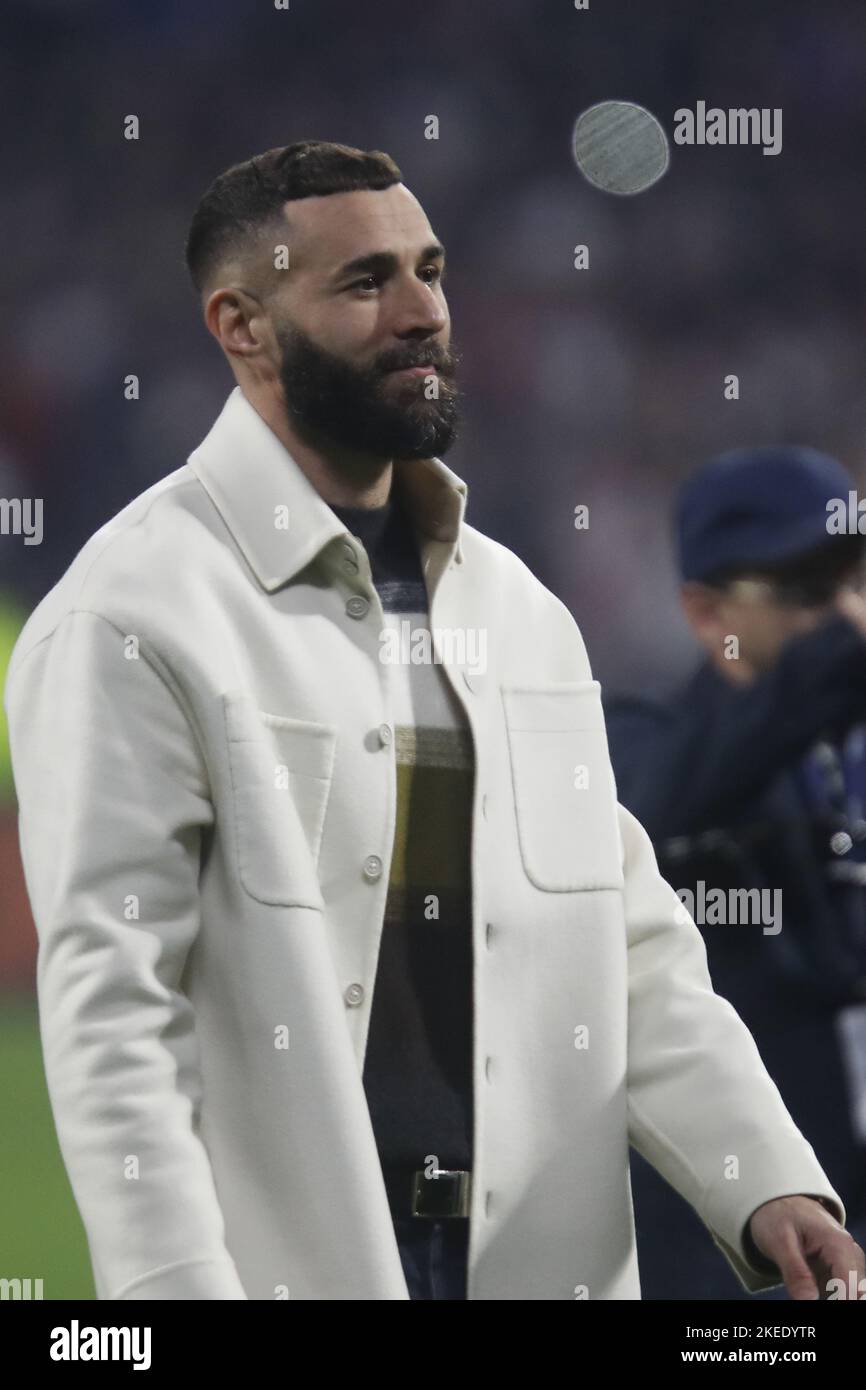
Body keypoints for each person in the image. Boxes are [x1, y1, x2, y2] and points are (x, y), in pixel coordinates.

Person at [4, 145, 863, 1301]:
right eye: (364, 282)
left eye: (430, 270)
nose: (421, 312)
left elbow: (620, 936)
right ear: (241, 325)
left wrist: (760, 1179)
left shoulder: (518, 612)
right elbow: (117, 1005)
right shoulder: (131, 617)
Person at [604, 446, 866, 1299]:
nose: (848, 614)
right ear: (702, 609)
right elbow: (664, 799)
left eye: (858, 581)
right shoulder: (639, 747)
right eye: (808, 591)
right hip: (735, 1266)